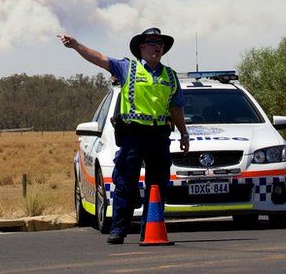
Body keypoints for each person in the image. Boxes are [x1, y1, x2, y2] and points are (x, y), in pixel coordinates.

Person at [58, 27, 189, 244]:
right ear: (141, 47)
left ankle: (151, 229)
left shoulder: (170, 76)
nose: (157, 47)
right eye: (152, 42)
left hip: (159, 137)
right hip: (133, 136)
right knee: (125, 183)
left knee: (158, 185)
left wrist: (184, 133)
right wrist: (76, 46)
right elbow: (100, 58)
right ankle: (119, 229)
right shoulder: (128, 68)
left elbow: (176, 107)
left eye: (160, 44)